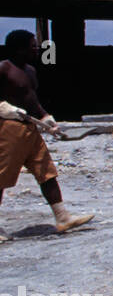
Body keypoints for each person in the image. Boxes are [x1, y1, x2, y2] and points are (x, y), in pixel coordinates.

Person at [0, 30, 93, 241]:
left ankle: (62, 217)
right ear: (19, 48)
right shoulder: (4, 68)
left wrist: (45, 116)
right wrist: (3, 108)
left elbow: (31, 100)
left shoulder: (31, 71)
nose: (37, 49)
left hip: (30, 129)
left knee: (46, 172)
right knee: (1, 176)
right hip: (7, 127)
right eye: (33, 46)